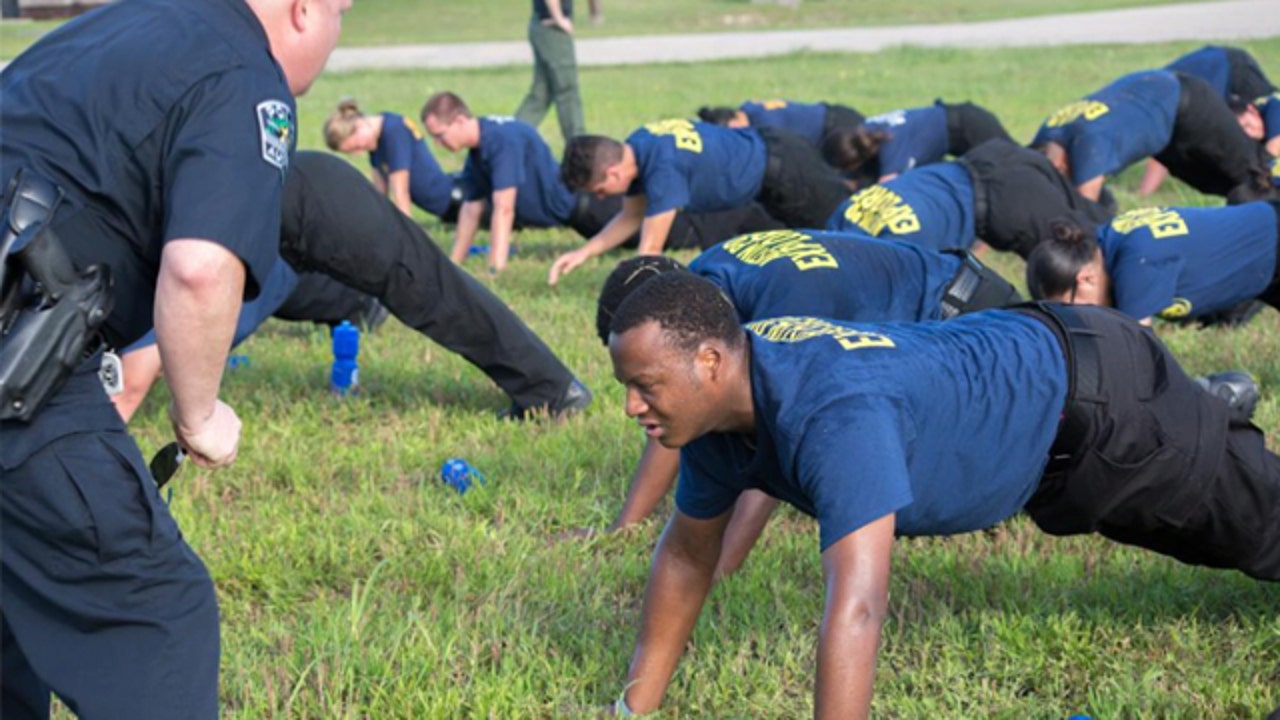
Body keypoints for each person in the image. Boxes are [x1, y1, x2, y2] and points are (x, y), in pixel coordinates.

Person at [602, 271, 1280, 718]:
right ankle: (1214, 408)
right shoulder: (719, 414)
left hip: (1108, 402)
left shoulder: (835, 416)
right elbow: (688, 559)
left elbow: (859, 609)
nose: (633, 407)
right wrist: (631, 711)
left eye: (645, 385)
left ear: (710, 363)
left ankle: (1209, 406)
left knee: (1258, 532)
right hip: (1046, 410)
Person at [0, 0, 349, 717]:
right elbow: (199, 269)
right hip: (16, 356)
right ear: (304, 9)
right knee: (153, 611)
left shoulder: (118, 25)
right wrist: (199, 414)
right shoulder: (245, 75)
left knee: (16, 595)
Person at [588, 230, 1021, 574]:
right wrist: (625, 527)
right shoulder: (709, 281)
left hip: (974, 320)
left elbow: (774, 443)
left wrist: (718, 568)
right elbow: (679, 414)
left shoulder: (780, 311)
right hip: (952, 303)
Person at [422, 92, 781, 275]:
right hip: (582, 213)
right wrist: (454, 262)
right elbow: (472, 206)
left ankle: (754, 217)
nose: (439, 145)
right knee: (661, 218)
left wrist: (496, 268)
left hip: (591, 208)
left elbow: (504, 208)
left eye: (439, 135)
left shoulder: (500, 140)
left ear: (459, 120)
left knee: (676, 227)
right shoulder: (478, 151)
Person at [547, 118, 849, 284]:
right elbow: (630, 217)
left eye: (599, 190)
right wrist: (584, 253)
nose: (601, 197)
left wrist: (626, 308)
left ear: (612, 173)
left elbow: (649, 252)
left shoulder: (663, 170)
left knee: (846, 236)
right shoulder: (638, 143)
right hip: (771, 163)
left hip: (787, 171)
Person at [827, 138, 1112, 258]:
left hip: (1004, 199)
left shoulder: (896, 248)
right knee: (1099, 226)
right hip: (990, 157)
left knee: (1083, 260)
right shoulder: (842, 215)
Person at [1030, 69, 1275, 204]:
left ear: (1062, 166)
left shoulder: (1088, 145)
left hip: (1186, 100)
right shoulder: (1048, 132)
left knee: (1257, 177)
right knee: (1226, 188)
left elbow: (1085, 211)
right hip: (1159, 113)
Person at [1025, 202, 1280, 328]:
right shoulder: (1107, 242)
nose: (1077, 318)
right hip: (1265, 260)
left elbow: (1137, 358)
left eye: (1070, 308)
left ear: (1086, 278)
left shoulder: (1136, 264)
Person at [1140, 46, 1280, 195]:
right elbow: (1274, 147)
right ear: (1252, 110)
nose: (1250, 132)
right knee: (1174, 119)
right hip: (1223, 64)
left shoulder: (1257, 110)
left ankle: (1144, 192)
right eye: (1247, 125)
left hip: (1217, 65)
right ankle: (1144, 192)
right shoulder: (1274, 106)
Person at [323, 97, 461, 221]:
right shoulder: (375, 139)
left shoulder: (393, 131)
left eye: (357, 146)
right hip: (446, 210)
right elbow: (380, 192)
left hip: (458, 199)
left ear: (360, 125)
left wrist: (408, 237)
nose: (359, 153)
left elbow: (400, 192)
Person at [821, 100, 1012, 184]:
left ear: (853, 163)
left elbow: (886, 191)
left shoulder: (890, 150)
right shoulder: (866, 129)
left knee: (1014, 166)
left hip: (968, 126)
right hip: (960, 121)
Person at [514, 0, 585, 144]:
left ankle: (510, 136)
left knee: (541, 94)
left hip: (542, 25)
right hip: (552, 27)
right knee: (567, 91)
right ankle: (579, 146)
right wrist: (559, 19)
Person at [696, 98, 866, 150]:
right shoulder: (748, 109)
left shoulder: (766, 124)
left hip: (838, 128)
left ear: (734, 121)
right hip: (837, 113)